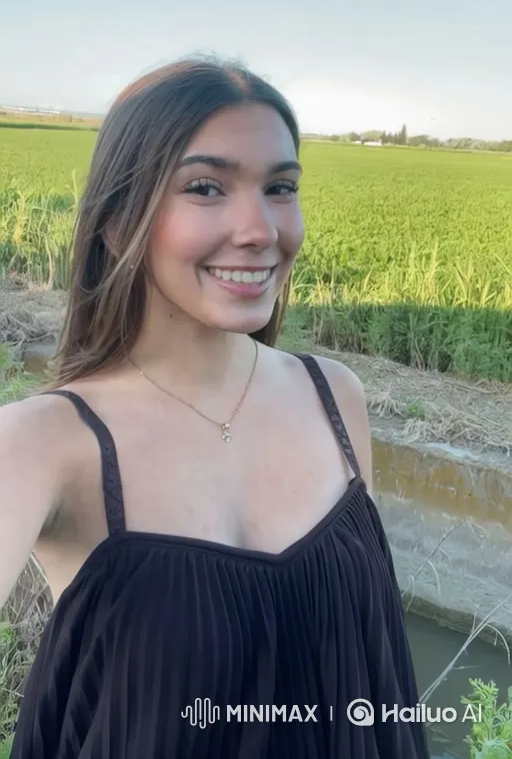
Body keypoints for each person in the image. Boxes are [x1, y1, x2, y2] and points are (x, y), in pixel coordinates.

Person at [1, 57, 430, 758]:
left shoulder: (335, 400)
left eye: (281, 188)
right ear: (116, 220)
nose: (261, 229)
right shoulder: (46, 442)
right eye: (206, 188)